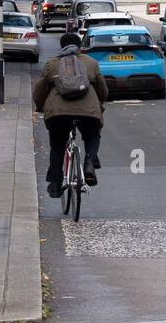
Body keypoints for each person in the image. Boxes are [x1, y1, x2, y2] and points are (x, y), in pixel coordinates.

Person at [33, 32, 109, 198]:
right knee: (92, 136)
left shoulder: (53, 63)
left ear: (62, 46)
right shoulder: (92, 63)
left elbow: (40, 90)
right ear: (80, 46)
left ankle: (55, 183)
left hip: (58, 114)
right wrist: (100, 104)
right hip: (89, 113)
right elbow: (103, 90)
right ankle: (89, 163)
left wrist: (40, 106)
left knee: (58, 144)